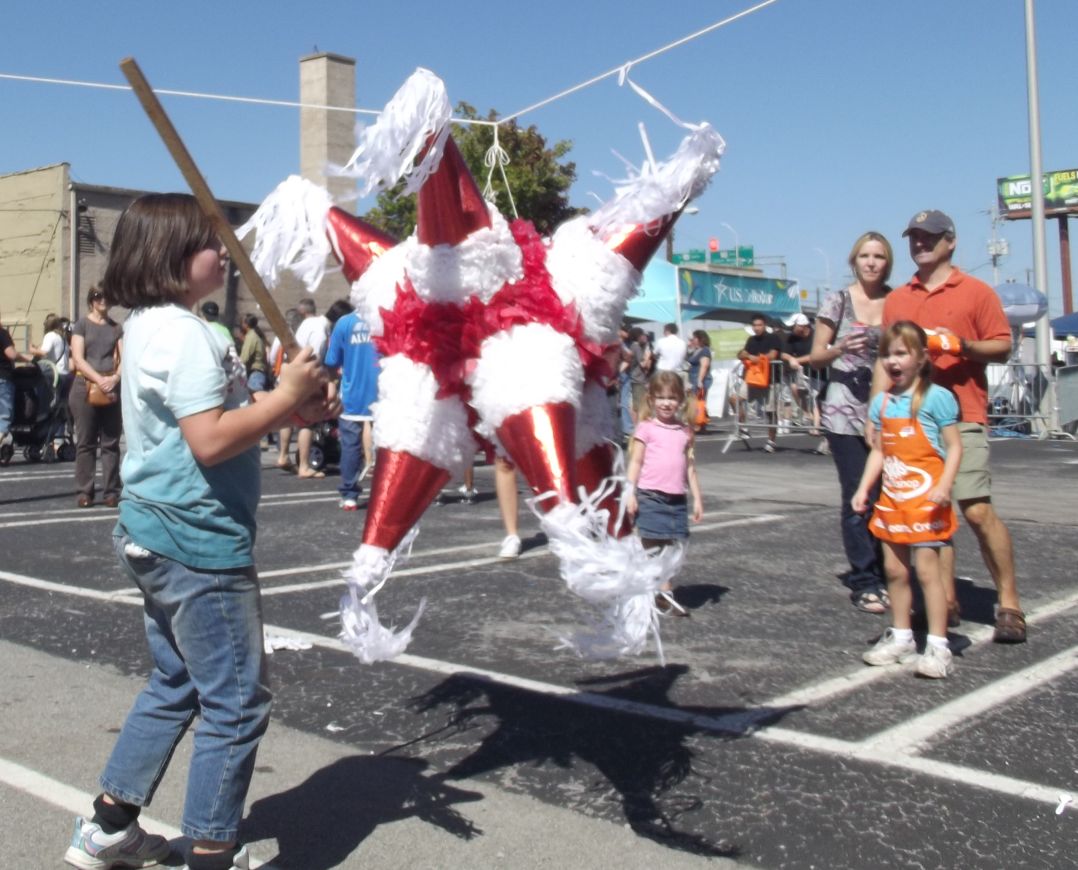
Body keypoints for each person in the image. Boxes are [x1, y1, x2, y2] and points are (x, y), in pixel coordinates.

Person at [62, 193, 332, 870]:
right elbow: (210, 441)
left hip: (153, 531)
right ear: (175, 258)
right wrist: (282, 397)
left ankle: (109, 826)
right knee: (236, 704)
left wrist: (294, 407)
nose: (227, 253)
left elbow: (234, 418)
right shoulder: (185, 335)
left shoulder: (158, 327)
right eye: (214, 243)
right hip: (197, 542)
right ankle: (212, 852)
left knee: (177, 680)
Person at [882, 208, 1024, 643]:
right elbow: (886, 360)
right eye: (914, 237)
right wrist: (878, 412)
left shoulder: (976, 291)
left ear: (951, 241)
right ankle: (946, 601)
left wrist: (960, 345)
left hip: (963, 416)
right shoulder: (898, 298)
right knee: (929, 517)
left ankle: (1010, 603)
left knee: (976, 510)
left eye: (929, 236)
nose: (920, 243)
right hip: (912, 423)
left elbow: (1002, 345)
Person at [854, 321, 962, 679]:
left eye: (901, 353)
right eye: (887, 354)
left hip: (927, 501)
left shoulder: (937, 398)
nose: (892, 360)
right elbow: (879, 452)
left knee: (929, 572)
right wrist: (863, 488)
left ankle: (937, 644)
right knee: (895, 571)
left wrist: (945, 485)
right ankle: (901, 637)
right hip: (893, 500)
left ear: (921, 358)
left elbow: (955, 447)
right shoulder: (882, 403)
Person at [810, 232, 891, 612]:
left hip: (887, 411)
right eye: (865, 256)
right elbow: (816, 356)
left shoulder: (897, 301)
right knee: (857, 494)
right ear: (854, 261)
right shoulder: (838, 300)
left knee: (887, 495)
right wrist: (841, 347)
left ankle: (890, 571)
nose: (871, 262)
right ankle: (864, 578)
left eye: (878, 256)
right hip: (844, 413)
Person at [625, 370, 704, 616]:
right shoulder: (646, 429)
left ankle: (659, 592)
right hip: (650, 496)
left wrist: (697, 499)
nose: (666, 403)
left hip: (676, 499)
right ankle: (663, 595)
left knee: (671, 549)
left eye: (671, 397)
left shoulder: (684, 432)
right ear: (651, 400)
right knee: (651, 546)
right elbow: (636, 463)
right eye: (661, 397)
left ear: (680, 400)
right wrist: (630, 493)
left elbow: (690, 467)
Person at [69, 287, 124, 508]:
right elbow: (78, 358)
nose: (103, 300)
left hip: (110, 386)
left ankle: (111, 491)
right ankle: (85, 492)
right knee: (86, 442)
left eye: (106, 296)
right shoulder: (82, 324)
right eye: (98, 296)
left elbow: (123, 357)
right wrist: (98, 379)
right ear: (91, 301)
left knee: (111, 442)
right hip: (85, 386)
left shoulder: (116, 327)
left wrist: (116, 378)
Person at [323, 301, 379, 510]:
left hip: (352, 393)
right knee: (386, 446)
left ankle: (349, 494)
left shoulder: (344, 323)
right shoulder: (386, 320)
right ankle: (386, 494)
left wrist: (331, 387)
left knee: (350, 445)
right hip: (383, 393)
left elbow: (332, 361)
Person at [293, 298, 330, 479]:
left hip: (295, 372)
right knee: (307, 422)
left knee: (295, 418)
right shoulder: (320, 326)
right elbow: (315, 352)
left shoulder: (302, 326)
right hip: (308, 374)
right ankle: (304, 465)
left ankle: (285, 455)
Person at [736, 313, 781, 452]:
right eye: (755, 325)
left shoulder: (773, 337)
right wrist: (744, 355)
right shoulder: (751, 340)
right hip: (753, 377)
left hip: (771, 379)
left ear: (765, 325)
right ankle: (743, 427)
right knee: (736, 399)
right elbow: (742, 354)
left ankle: (771, 441)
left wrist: (754, 358)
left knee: (770, 411)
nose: (757, 328)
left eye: (759, 325)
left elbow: (772, 355)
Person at [780, 313, 818, 430]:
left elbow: (815, 356)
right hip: (804, 373)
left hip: (819, 373)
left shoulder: (816, 335)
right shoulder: (792, 337)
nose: (791, 329)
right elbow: (783, 354)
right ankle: (808, 414)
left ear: (802, 326)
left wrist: (797, 360)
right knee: (794, 388)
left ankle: (817, 427)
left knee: (817, 400)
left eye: (793, 326)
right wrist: (790, 358)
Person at [686, 329, 713, 433]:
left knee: (698, 402)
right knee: (695, 402)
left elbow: (704, 365)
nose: (693, 340)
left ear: (700, 339)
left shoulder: (705, 350)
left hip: (701, 378)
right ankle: (700, 423)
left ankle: (700, 424)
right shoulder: (696, 350)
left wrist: (700, 380)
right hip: (693, 377)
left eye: (694, 338)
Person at [627, 326, 653, 424]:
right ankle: (639, 427)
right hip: (638, 379)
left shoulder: (636, 346)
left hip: (639, 378)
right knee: (639, 405)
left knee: (640, 404)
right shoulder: (636, 346)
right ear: (637, 336)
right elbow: (643, 364)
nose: (644, 336)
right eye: (642, 335)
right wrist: (647, 356)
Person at [239, 314, 268, 393]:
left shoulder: (251, 337)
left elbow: (244, 358)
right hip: (257, 374)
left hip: (255, 375)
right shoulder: (255, 336)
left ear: (246, 324)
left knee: (255, 399)